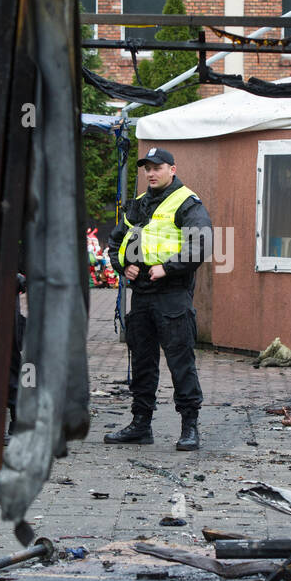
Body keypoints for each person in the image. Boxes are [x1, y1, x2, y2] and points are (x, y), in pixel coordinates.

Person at [105, 146, 212, 450]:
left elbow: (201, 243)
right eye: (147, 169)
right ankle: (141, 425)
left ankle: (190, 427)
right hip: (141, 295)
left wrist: (167, 268)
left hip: (172, 295)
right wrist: (123, 266)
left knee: (181, 362)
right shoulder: (138, 204)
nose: (151, 173)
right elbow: (115, 242)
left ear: (172, 169)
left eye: (157, 168)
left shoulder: (186, 202)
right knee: (142, 362)